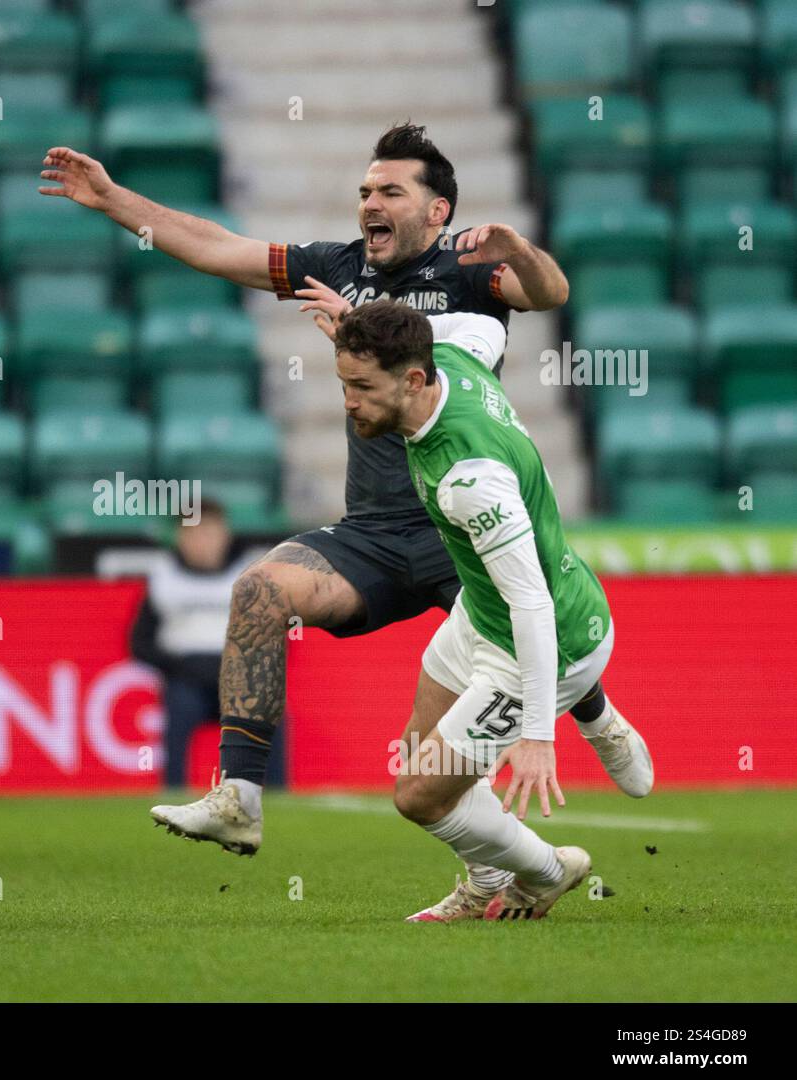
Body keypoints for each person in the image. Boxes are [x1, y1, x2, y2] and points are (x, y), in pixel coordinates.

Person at [40, 124, 648, 862]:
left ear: (437, 211)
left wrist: (517, 248)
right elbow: (213, 245)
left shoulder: (470, 269)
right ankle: (240, 795)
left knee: (522, 626)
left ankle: (594, 710)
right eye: (365, 190)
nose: (370, 203)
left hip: (456, 524)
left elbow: (551, 292)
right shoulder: (336, 266)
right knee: (260, 590)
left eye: (391, 190)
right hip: (374, 531)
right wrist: (112, 200)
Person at [337, 299, 649, 921]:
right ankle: (485, 879)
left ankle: (550, 870)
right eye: (344, 383)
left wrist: (537, 736)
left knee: (419, 794)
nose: (348, 402)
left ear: (414, 380)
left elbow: (531, 602)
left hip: (547, 640)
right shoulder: (456, 354)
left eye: (362, 387)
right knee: (419, 748)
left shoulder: (469, 477)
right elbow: (482, 324)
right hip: (481, 615)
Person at [128, 499, 286, 790]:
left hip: (240, 679)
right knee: (179, 707)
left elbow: (275, 631)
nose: (202, 542)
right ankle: (173, 793)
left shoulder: (250, 574)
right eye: (194, 534)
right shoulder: (163, 577)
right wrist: (177, 667)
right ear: (180, 538)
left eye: (209, 533)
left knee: (268, 706)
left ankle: (276, 794)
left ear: (225, 534)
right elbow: (139, 643)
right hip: (186, 680)